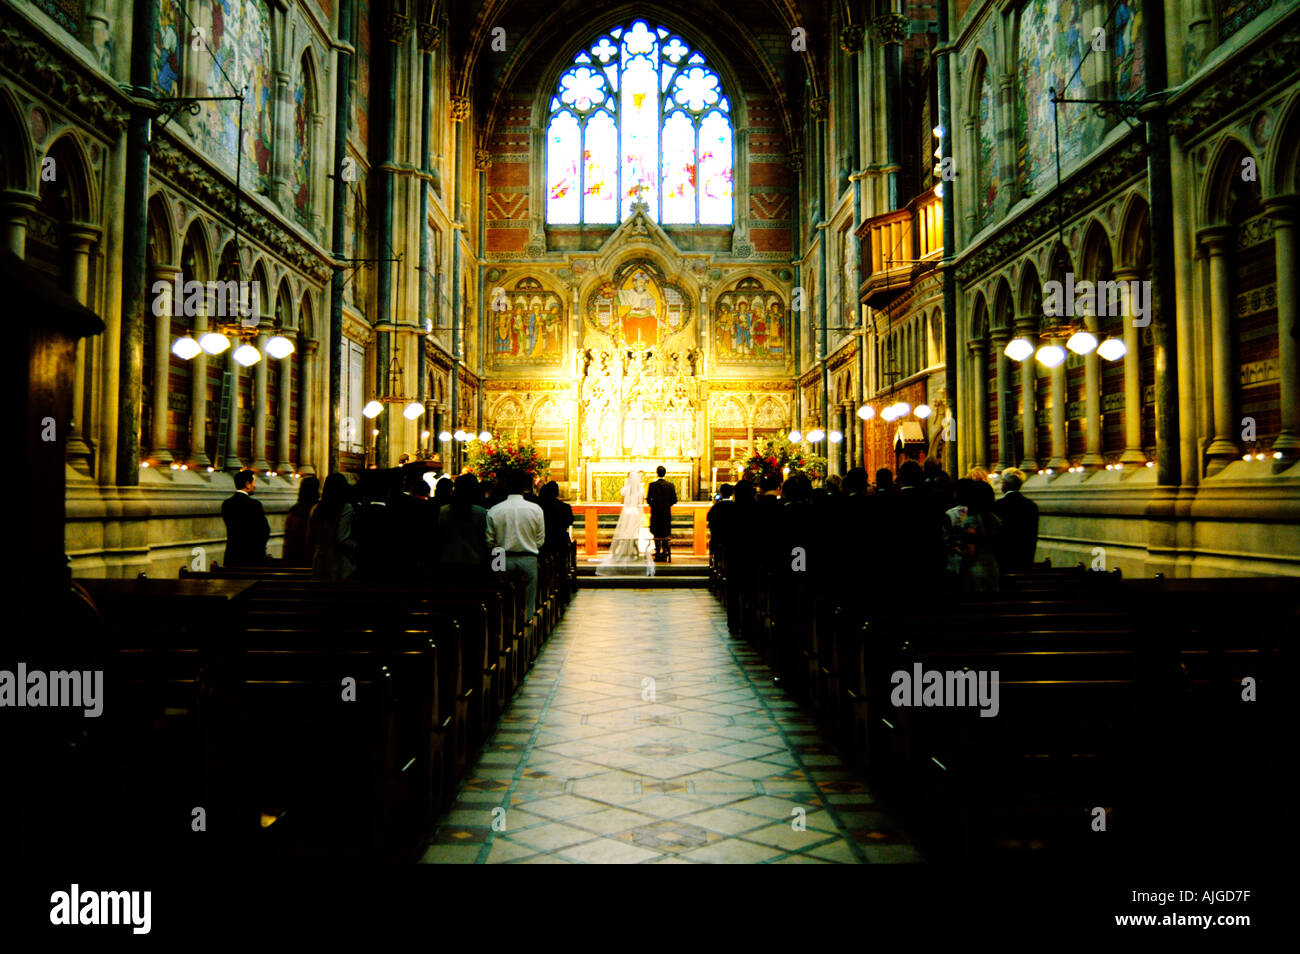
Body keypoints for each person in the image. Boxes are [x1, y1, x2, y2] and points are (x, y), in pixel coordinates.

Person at [487, 470, 547, 618]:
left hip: (501, 557)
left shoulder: (495, 510)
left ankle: (504, 627)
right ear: (525, 487)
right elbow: (540, 540)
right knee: (528, 602)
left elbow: (489, 541)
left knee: (501, 596)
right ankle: (527, 627)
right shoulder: (535, 509)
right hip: (528, 557)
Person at [945, 478, 1001, 592]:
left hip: (976, 569)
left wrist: (958, 550)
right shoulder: (995, 519)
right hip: (992, 566)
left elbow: (971, 550)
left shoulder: (971, 520)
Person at [597, 470, 653, 577]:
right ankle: (634, 551)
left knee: (624, 532)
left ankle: (622, 551)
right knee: (634, 533)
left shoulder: (625, 489)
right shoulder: (640, 490)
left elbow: (622, 502)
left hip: (626, 512)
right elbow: (641, 502)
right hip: (636, 512)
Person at [438, 473, 491, 584]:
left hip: (449, 563)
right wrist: (498, 567)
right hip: (475, 564)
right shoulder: (481, 513)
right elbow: (489, 542)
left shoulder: (444, 511)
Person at [310, 472, 358, 581]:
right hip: (338, 563)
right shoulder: (346, 508)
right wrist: (356, 546)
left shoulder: (316, 509)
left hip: (319, 562)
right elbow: (341, 538)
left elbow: (310, 536)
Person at [994, 467, 1040, 572]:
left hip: (1004, 558)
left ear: (1004, 484)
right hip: (1025, 557)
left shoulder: (999, 505)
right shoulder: (1031, 506)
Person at [221, 469, 269, 566]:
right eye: (254, 482)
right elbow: (264, 530)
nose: (255, 486)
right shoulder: (255, 504)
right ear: (247, 484)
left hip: (232, 557)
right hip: (253, 558)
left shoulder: (226, 504)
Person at [281, 475, 319, 567]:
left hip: (294, 558)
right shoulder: (317, 511)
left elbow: (288, 537)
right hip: (310, 559)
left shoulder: (294, 510)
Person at [646, 465, 677, 563]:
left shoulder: (652, 485)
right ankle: (664, 552)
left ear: (657, 473)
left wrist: (655, 506)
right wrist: (666, 506)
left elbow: (648, 500)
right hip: (666, 514)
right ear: (665, 473)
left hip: (655, 514)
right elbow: (674, 500)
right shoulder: (670, 485)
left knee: (656, 533)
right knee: (665, 533)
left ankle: (658, 552)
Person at [538, 480, 574, 556]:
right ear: (557, 492)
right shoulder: (565, 507)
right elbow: (570, 522)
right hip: (560, 540)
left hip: (545, 540)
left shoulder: (539, 506)